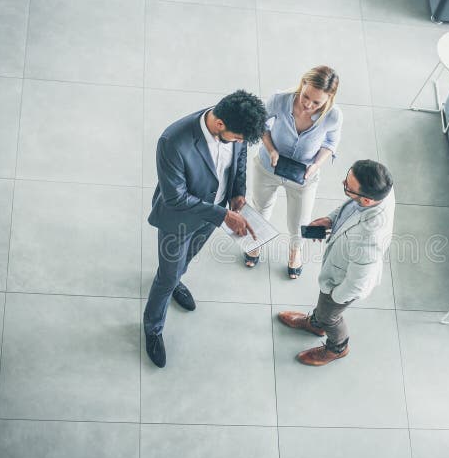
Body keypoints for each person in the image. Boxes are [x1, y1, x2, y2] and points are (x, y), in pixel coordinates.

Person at [143, 90, 267, 368]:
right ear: (220, 124)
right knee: (166, 276)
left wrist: (237, 192)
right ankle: (152, 328)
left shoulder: (236, 127)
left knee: (187, 258)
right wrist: (223, 214)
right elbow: (175, 198)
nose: (240, 142)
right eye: (237, 138)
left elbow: (240, 161)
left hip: (213, 215)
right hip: (179, 220)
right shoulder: (173, 141)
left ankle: (176, 281)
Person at [277, 160, 395, 366]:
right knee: (324, 311)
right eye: (347, 176)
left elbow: (357, 282)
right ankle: (316, 324)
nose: (343, 182)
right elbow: (351, 206)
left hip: (343, 283)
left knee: (330, 316)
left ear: (367, 200)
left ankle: (337, 347)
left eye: (347, 187)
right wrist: (331, 220)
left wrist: (334, 297)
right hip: (342, 265)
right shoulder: (382, 189)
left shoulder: (370, 237)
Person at [245, 66, 342, 279]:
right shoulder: (279, 100)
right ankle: (256, 241)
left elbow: (331, 142)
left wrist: (316, 165)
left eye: (317, 102)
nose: (308, 105)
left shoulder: (334, 116)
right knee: (261, 208)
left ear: (330, 97)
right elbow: (262, 125)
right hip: (268, 166)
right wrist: (271, 150)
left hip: (304, 175)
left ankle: (295, 251)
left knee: (300, 221)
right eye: (305, 96)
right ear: (302, 84)